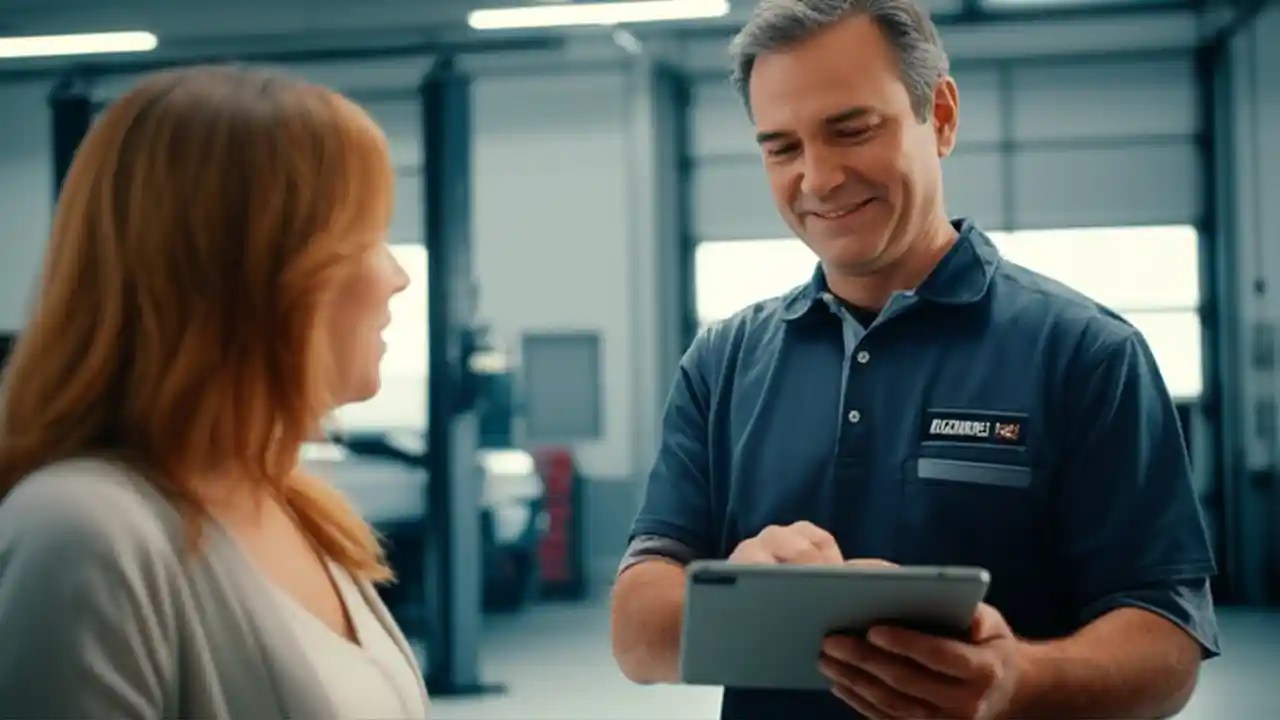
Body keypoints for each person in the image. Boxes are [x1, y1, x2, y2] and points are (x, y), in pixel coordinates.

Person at [610, 0, 1220, 718]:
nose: (819, 178)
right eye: (782, 147)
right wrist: (735, 593)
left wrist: (1017, 679)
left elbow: (1166, 645)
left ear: (944, 116)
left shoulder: (1087, 355)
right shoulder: (723, 362)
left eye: (853, 130)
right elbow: (636, 631)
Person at [0, 66, 428, 719]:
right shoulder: (84, 535)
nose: (395, 277)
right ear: (263, 272)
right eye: (366, 238)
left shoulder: (292, 508)